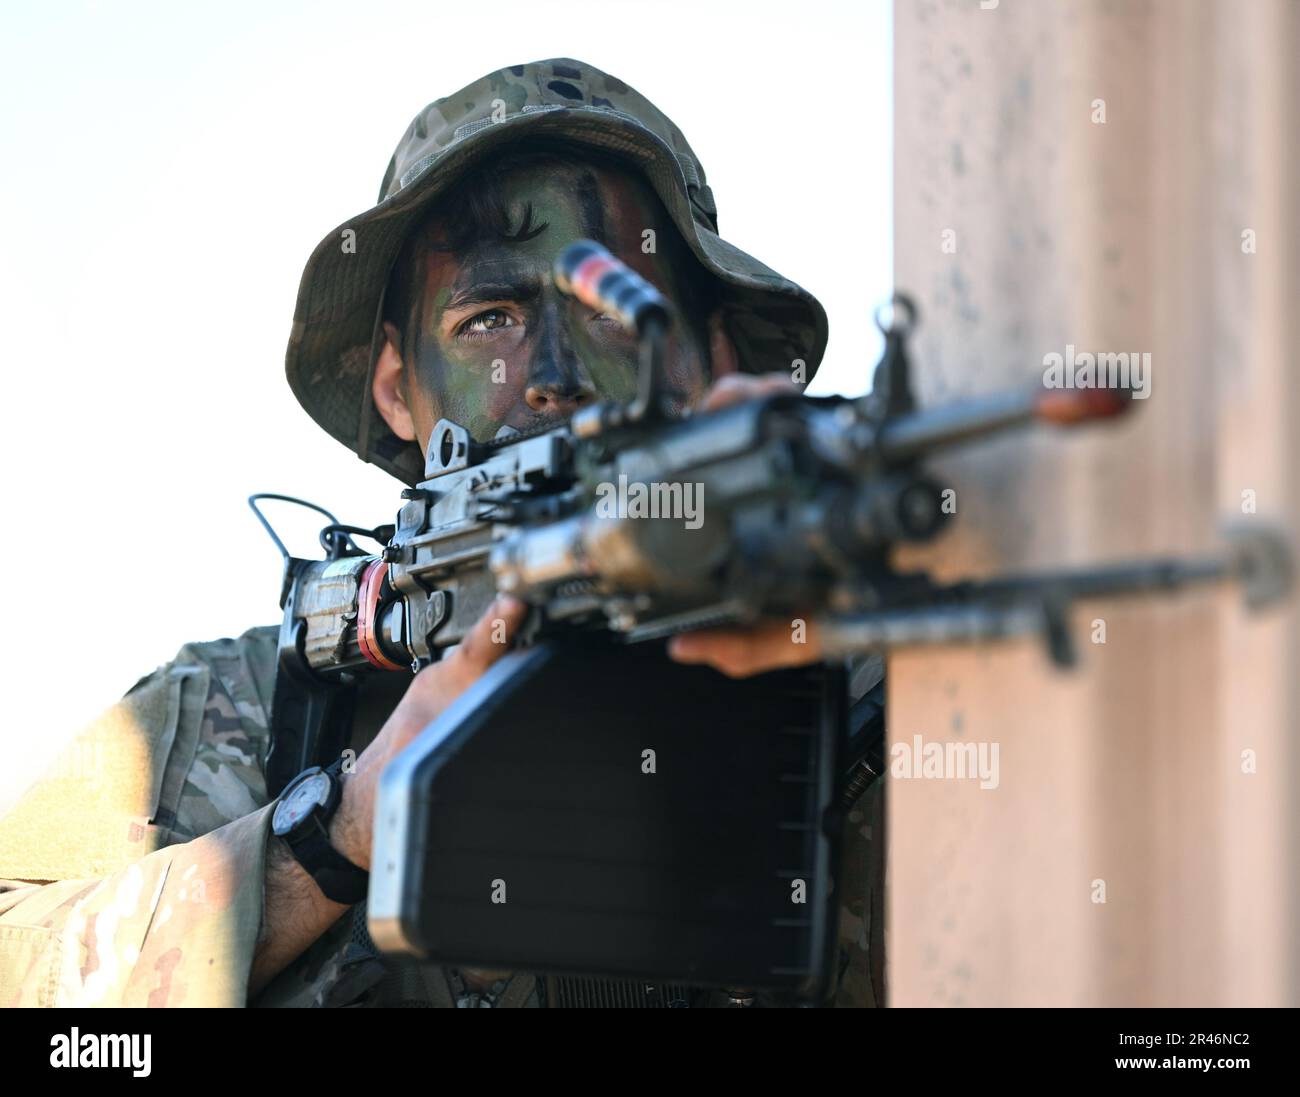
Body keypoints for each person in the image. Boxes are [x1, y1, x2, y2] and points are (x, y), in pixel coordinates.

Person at [0, 58, 884, 1008]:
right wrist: (336, 837)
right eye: (488, 318)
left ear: (712, 365)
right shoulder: (246, 711)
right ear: (395, 387)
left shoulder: (866, 678)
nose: (553, 373)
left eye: (615, 314)